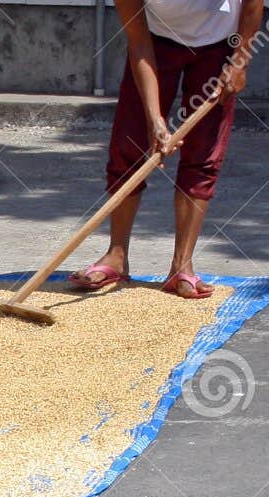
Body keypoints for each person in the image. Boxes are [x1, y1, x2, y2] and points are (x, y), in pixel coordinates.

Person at [70, 0, 263, 299]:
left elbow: (253, 4)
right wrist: (154, 118)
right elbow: (138, 42)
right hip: (157, 41)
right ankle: (116, 255)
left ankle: (181, 266)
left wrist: (240, 60)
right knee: (129, 143)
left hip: (220, 44)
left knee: (203, 152)